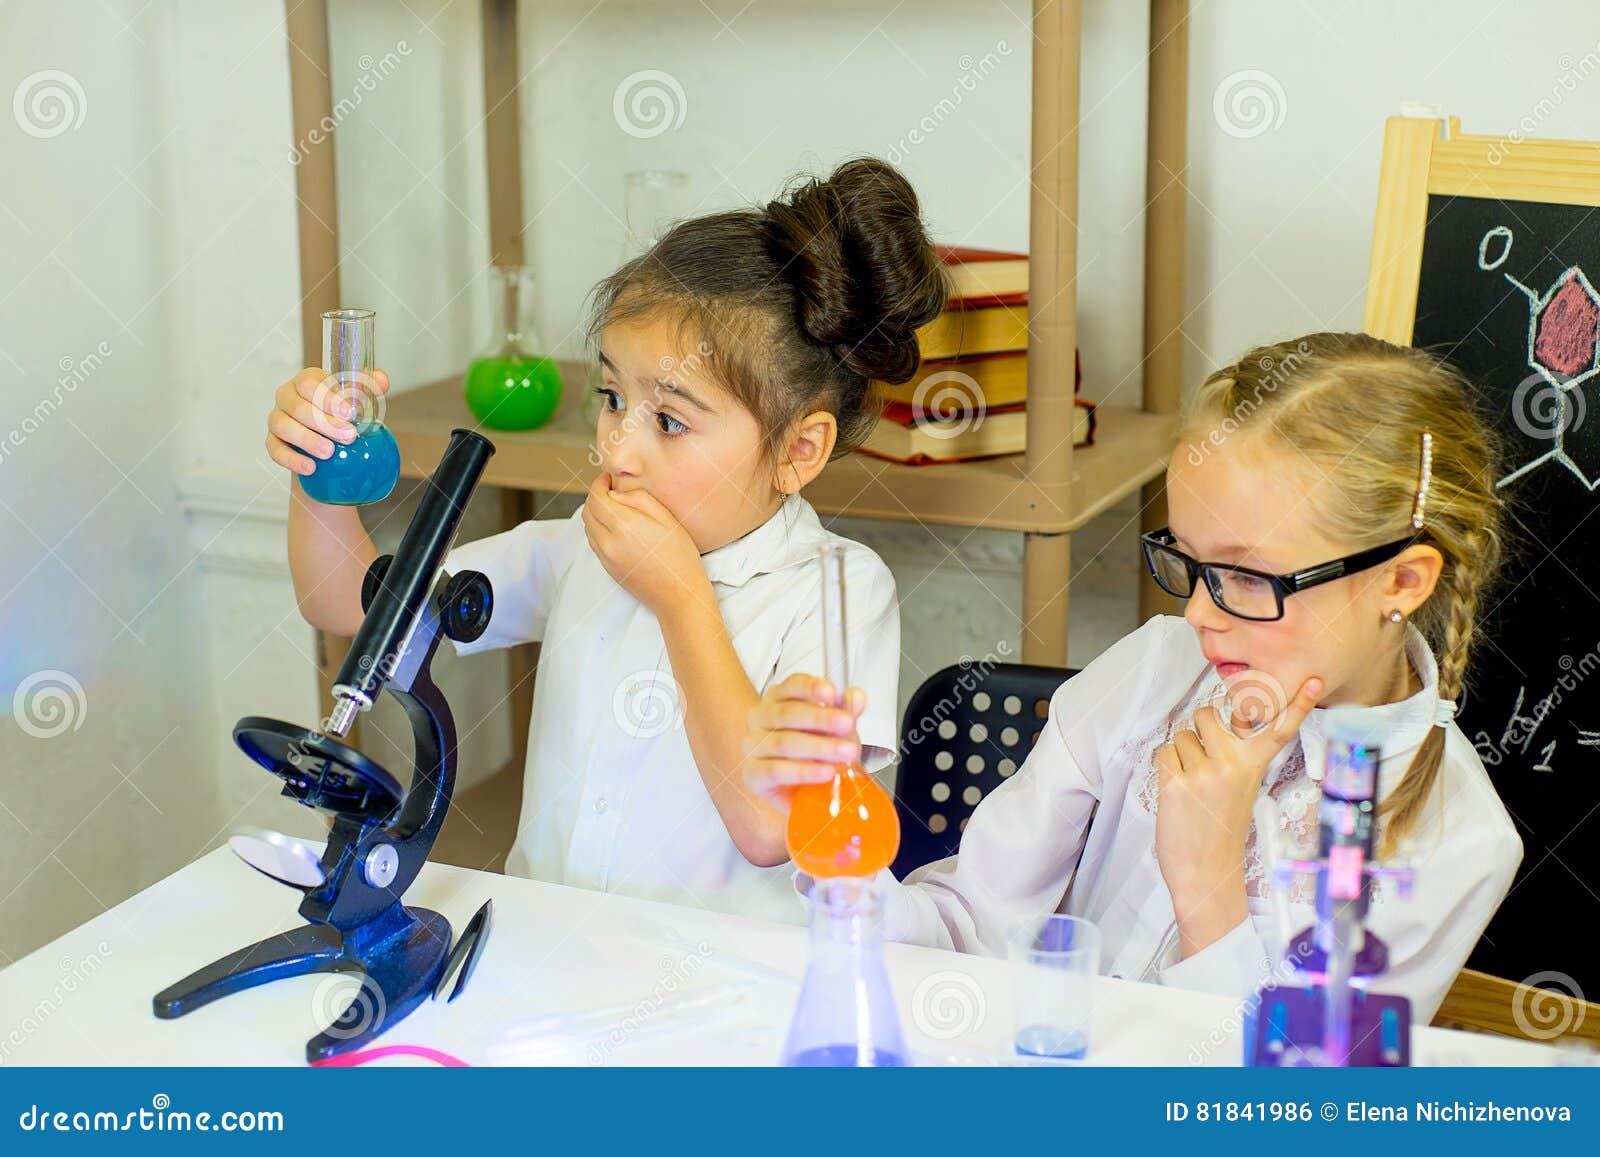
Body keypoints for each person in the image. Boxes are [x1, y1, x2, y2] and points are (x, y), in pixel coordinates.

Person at [745, 332, 1523, 1019]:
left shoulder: (1455, 840)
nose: (1198, 617)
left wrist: (1208, 884)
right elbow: (970, 927)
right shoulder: (1157, 671)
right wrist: (829, 839)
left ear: (1402, 581)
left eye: (1249, 577)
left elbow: (1301, 1109)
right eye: (1188, 560)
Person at [267, 157, 946, 923]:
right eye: (612, 397)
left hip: (727, 1006)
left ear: (798, 451)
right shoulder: (577, 551)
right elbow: (349, 605)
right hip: (558, 972)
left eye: (669, 420)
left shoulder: (837, 589)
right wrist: (314, 466)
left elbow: (770, 827)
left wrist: (681, 595)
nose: (618, 449)